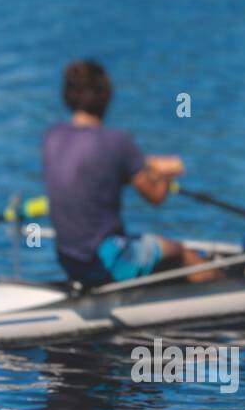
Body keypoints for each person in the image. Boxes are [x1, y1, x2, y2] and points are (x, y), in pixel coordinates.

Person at [43, 61, 213, 286]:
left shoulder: (52, 138)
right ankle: (230, 294)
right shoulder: (117, 142)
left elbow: (98, 174)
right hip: (106, 262)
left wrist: (144, 164)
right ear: (106, 96)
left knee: (140, 246)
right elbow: (156, 197)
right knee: (181, 253)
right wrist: (167, 172)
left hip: (68, 259)